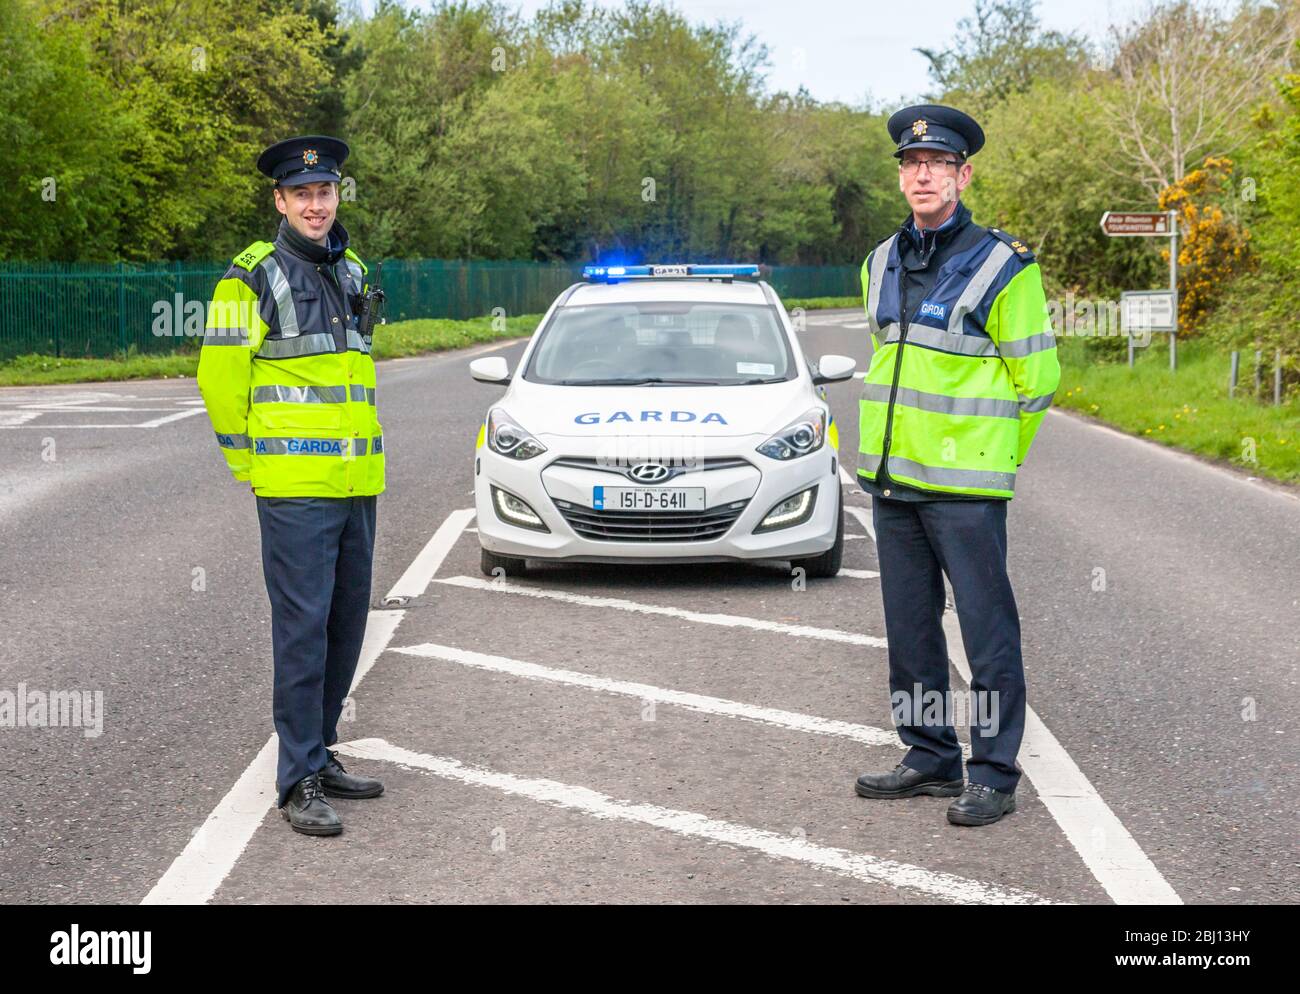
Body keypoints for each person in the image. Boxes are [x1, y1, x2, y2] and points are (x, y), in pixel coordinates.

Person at [853, 105, 1060, 826]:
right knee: (912, 632)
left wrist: (992, 464)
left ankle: (995, 773)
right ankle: (930, 755)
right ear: (902, 177)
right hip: (892, 481)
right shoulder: (879, 260)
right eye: (912, 165)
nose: (924, 175)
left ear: (963, 175)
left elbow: (1037, 380)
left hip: (965, 490)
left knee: (985, 631)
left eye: (938, 164)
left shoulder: (1005, 265)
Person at [197, 135, 386, 836]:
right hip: (293, 487)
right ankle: (297, 777)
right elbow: (218, 380)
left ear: (338, 196)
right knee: (303, 630)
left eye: (325, 192)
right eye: (301, 194)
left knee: (344, 625)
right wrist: (250, 465)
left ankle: (322, 749)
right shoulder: (247, 278)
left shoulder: (354, 269)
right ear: (279, 201)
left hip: (356, 483)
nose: (315, 204)